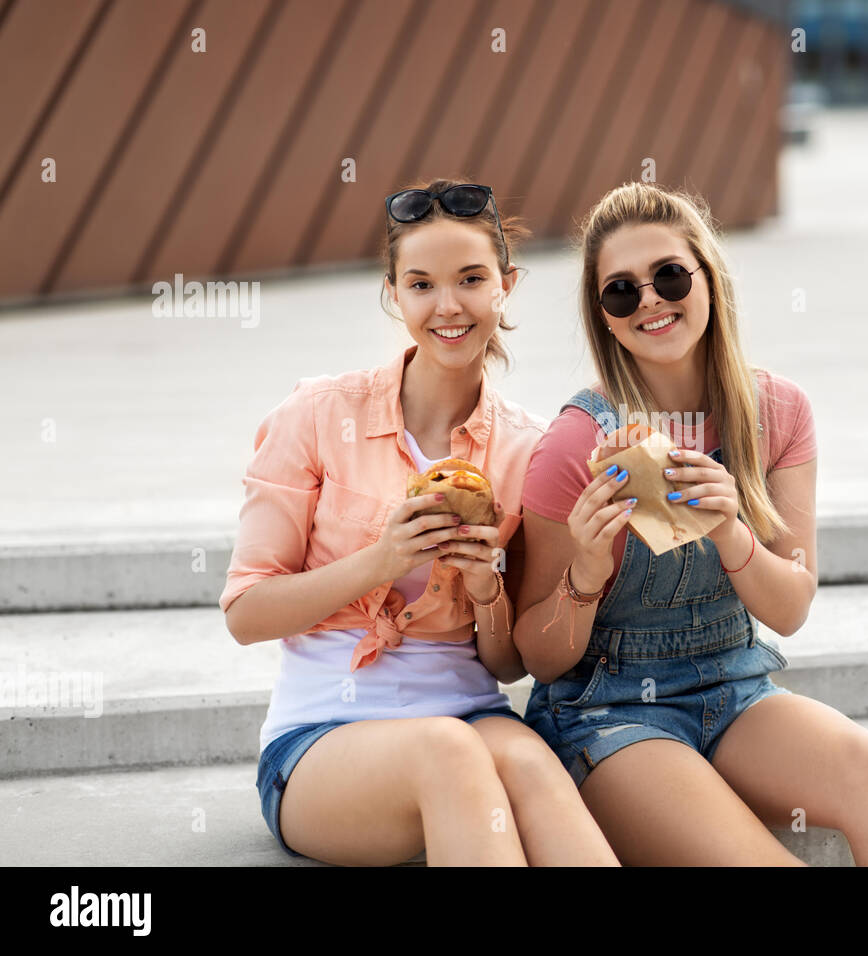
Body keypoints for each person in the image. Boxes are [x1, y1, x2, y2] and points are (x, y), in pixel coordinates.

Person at [512, 181, 868, 866]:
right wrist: (587, 572)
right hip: (607, 711)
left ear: (709, 279)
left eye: (669, 276)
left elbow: (792, 607)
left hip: (735, 688)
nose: (650, 300)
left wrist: (730, 531)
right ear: (603, 317)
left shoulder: (775, 411)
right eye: (621, 291)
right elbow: (536, 656)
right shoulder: (577, 445)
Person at [220, 179, 618, 866]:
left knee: (528, 765)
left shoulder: (528, 447)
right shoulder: (316, 413)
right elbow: (246, 614)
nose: (449, 306)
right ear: (393, 293)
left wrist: (489, 589)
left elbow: (507, 664)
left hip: (472, 713)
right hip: (322, 738)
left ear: (506, 286)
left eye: (471, 279)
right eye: (422, 284)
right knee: (447, 751)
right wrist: (381, 559)